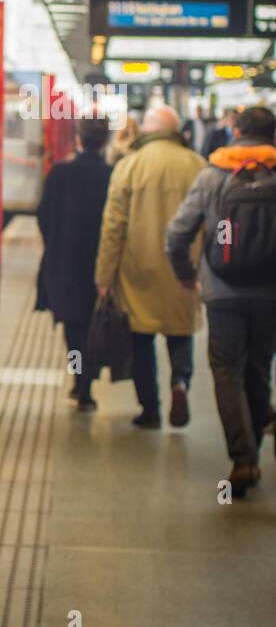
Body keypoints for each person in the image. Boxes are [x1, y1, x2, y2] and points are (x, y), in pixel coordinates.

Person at [165, 106, 276, 495]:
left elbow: (177, 235)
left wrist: (186, 275)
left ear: (236, 131)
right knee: (259, 368)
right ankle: (255, 447)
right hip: (270, 293)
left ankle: (243, 460)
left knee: (227, 370)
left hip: (223, 291)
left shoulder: (213, 176)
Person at [95, 105, 206, 429]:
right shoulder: (198, 166)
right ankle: (181, 382)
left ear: (148, 129)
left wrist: (104, 276)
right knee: (180, 332)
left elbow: (113, 227)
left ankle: (151, 410)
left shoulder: (129, 166)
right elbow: (215, 225)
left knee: (141, 342)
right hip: (183, 270)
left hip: (137, 269)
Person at [37, 117, 112, 411]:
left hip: (65, 265)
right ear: (105, 141)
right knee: (94, 327)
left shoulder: (60, 173)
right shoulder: (111, 174)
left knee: (73, 329)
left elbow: (44, 216)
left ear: (78, 138)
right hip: (98, 265)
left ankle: (78, 377)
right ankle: (88, 382)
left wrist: (55, 246)